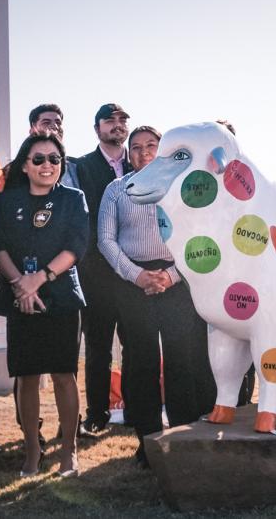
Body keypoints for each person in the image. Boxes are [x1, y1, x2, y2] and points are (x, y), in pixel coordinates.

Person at [99, 126, 214, 467]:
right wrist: (138, 276)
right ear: (128, 153)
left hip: (177, 280)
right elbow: (106, 240)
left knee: (181, 360)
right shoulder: (116, 189)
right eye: (136, 147)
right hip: (132, 281)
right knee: (141, 362)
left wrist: (170, 275)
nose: (144, 152)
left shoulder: (182, 186)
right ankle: (147, 441)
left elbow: (199, 235)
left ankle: (181, 436)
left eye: (152, 145)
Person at [0, 133, 89, 477]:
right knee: (27, 376)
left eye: (54, 159)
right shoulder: (7, 201)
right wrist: (21, 284)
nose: (47, 165)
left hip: (61, 298)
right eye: (39, 159)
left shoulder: (73, 199)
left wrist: (41, 278)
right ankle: (32, 451)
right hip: (21, 298)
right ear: (25, 165)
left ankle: (69, 451)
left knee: (65, 375)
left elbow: (76, 246)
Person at [74, 103, 133, 435]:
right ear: (97, 128)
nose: (117, 125)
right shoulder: (83, 167)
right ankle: (97, 413)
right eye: (110, 120)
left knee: (135, 345)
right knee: (97, 347)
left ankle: (137, 407)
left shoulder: (139, 164)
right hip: (95, 271)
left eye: (123, 120)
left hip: (134, 271)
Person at [29, 104, 80, 189]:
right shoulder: (13, 170)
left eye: (58, 123)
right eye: (46, 122)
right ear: (33, 128)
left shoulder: (78, 168)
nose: (55, 126)